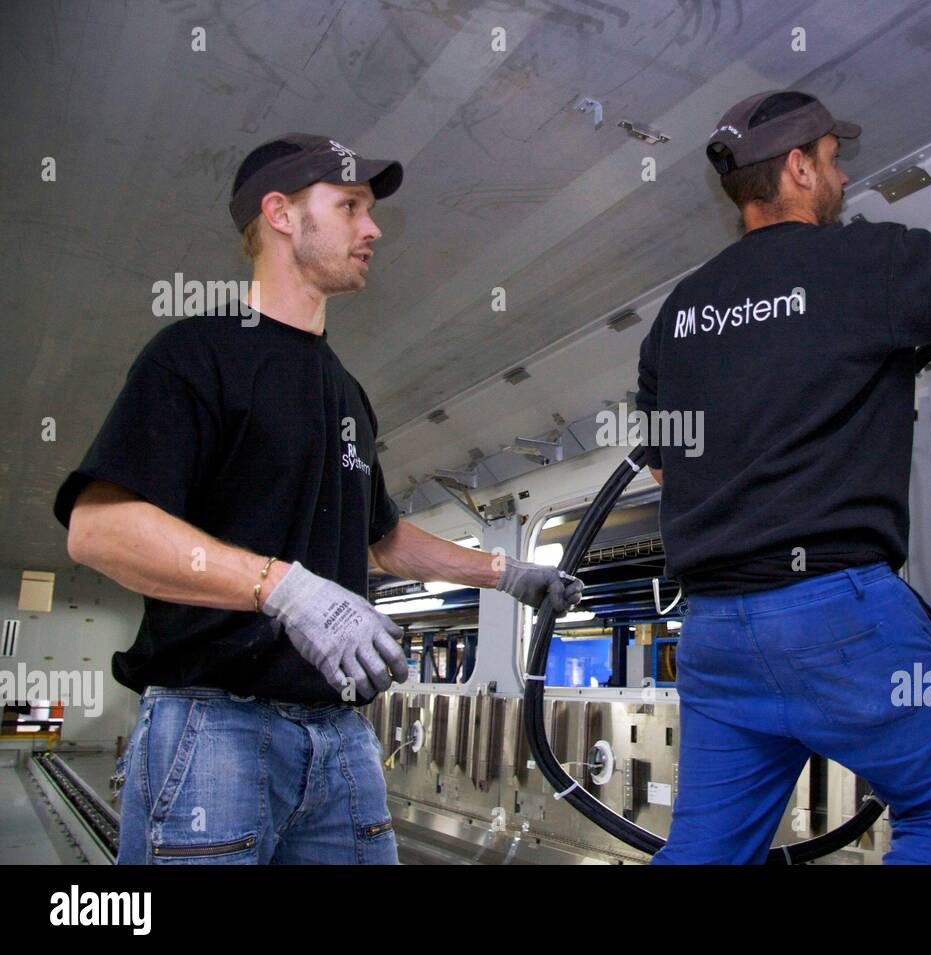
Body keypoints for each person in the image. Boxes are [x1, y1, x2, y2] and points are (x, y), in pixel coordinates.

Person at [53, 133, 582, 864]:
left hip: (340, 738)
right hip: (213, 728)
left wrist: (507, 573)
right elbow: (98, 531)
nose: (373, 229)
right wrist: (283, 588)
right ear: (279, 213)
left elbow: (382, 538)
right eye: (351, 206)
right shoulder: (195, 356)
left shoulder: (346, 392)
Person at [636, 91, 931, 864]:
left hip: (716, 635)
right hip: (830, 617)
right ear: (797, 168)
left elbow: (661, 458)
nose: (842, 173)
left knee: (705, 853)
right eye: (832, 158)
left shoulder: (679, 313)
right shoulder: (867, 261)